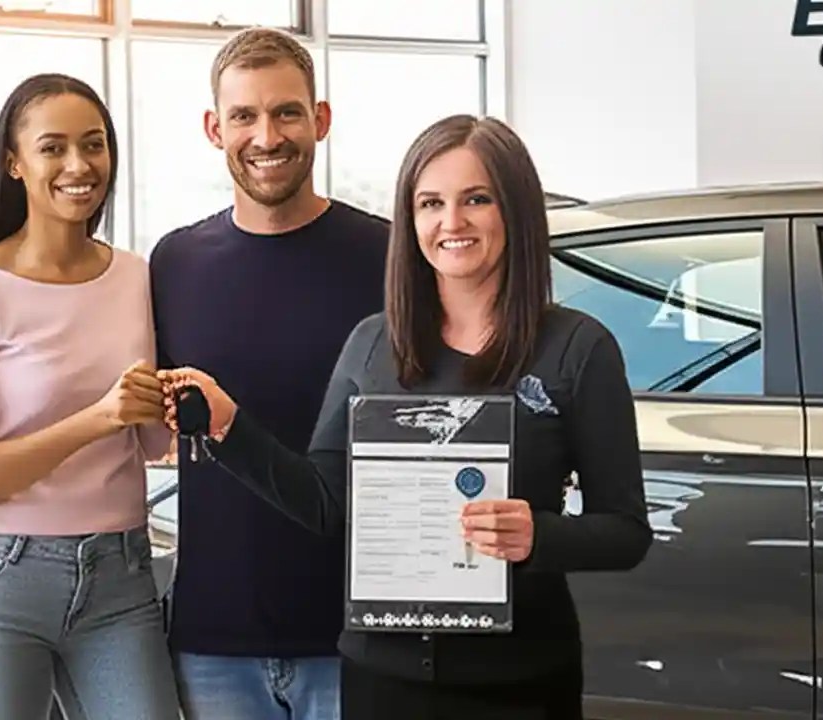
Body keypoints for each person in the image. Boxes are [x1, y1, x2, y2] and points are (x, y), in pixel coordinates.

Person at [159, 114, 654, 719]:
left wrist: (540, 535)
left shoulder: (578, 348)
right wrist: (228, 427)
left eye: (477, 199)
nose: (452, 222)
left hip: (521, 679)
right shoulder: (373, 344)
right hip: (383, 680)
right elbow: (323, 501)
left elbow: (626, 532)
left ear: (516, 210)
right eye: (430, 203)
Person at [0, 72, 180, 720]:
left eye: (93, 145)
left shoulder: (135, 276)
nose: (79, 165)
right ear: (13, 161)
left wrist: (168, 404)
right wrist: (97, 418)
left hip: (120, 575)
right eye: (53, 147)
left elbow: (148, 442)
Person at [148, 26, 388, 720]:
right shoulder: (175, 264)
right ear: (213, 128)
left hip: (358, 635)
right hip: (214, 634)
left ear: (321, 119)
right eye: (244, 116)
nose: (266, 135)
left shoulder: (389, 257)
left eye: (286, 112)